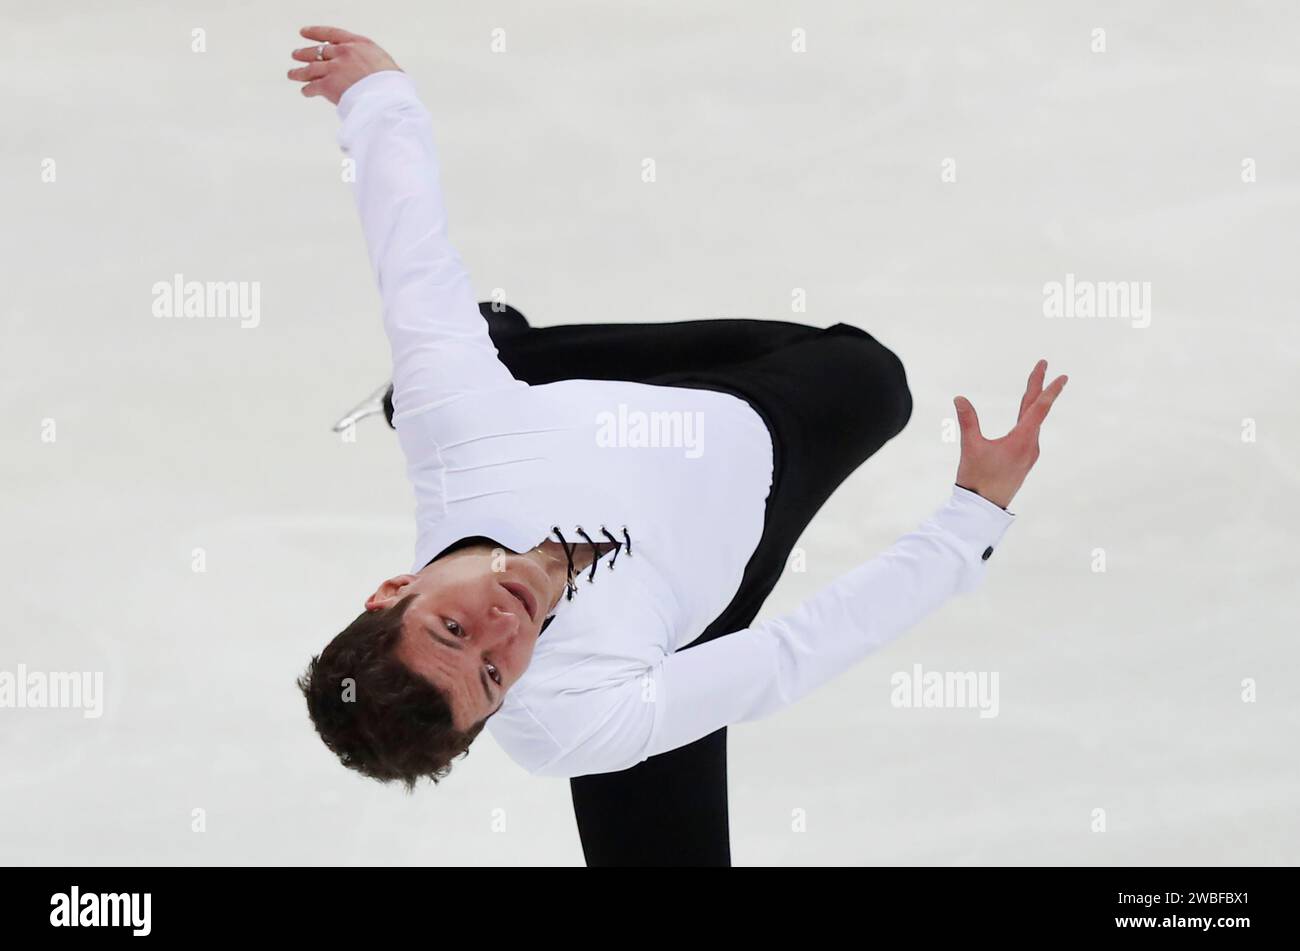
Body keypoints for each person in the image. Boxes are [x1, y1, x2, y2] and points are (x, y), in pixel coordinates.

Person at [289, 26, 1068, 866]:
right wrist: (970, 520)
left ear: (394, 589)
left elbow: (413, 263)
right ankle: (512, 362)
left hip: (721, 411)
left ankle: (510, 350)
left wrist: (379, 101)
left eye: (450, 628)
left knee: (873, 380)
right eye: (490, 678)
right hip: (688, 625)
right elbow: (785, 659)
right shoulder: (568, 714)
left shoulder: (461, 436)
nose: (502, 633)